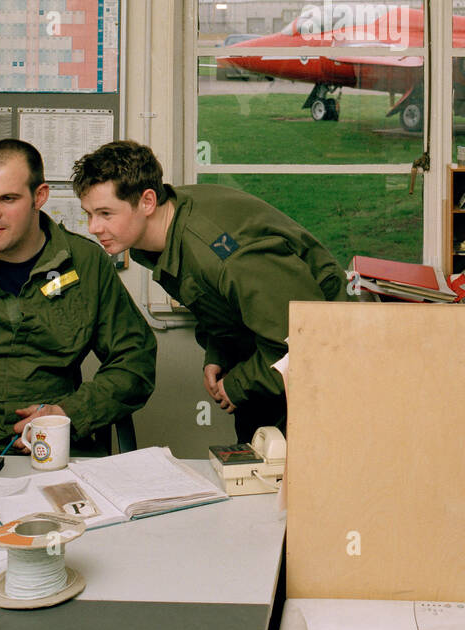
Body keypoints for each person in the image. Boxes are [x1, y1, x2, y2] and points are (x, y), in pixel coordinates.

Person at [71, 141, 342, 441]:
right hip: (272, 362)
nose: (93, 228)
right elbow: (228, 304)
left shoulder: (222, 253)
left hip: (326, 366)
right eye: (89, 214)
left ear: (147, 201)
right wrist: (219, 353)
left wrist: (237, 385)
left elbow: (307, 340)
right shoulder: (165, 227)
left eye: (106, 214)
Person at [0, 139, 157, 455]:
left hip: (49, 446)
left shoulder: (84, 263)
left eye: (7, 199)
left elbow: (134, 359)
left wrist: (70, 413)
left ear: (39, 197)